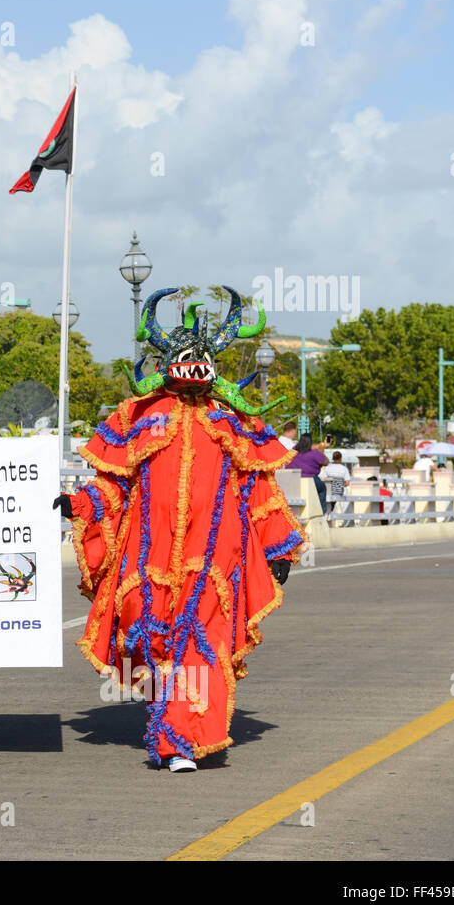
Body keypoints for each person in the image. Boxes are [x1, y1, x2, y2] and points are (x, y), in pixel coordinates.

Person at [55, 286, 304, 772]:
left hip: (215, 559)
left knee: (198, 642)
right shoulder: (140, 417)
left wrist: (279, 548)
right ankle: (174, 720)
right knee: (154, 639)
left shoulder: (230, 421)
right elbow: (113, 485)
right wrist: (77, 504)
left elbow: (259, 489)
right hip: (146, 560)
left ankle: (180, 740)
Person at [286, 434, 330, 513]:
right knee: (322, 488)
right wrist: (322, 451)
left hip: (292, 480)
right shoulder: (315, 454)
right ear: (310, 443)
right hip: (310, 479)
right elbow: (326, 462)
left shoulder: (293, 451)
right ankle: (322, 512)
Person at [322, 450, 351, 522]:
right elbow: (347, 483)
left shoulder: (328, 468)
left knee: (329, 512)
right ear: (341, 459)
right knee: (343, 510)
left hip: (329, 492)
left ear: (333, 458)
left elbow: (322, 479)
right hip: (341, 492)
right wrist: (339, 484)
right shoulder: (344, 469)